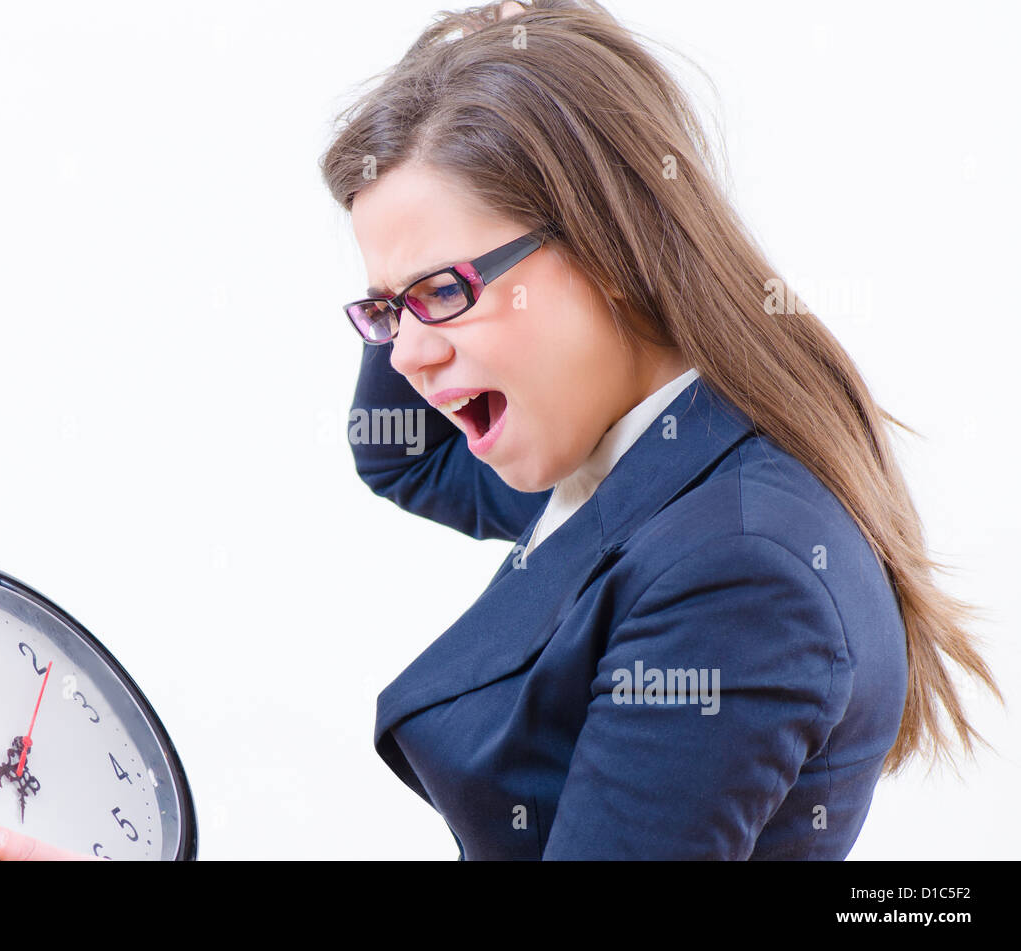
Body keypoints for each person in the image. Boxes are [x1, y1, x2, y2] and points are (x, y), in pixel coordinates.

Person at [320, 0, 1000, 858]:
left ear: (609, 247)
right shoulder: (631, 444)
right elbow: (401, 456)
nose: (410, 357)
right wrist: (456, 74)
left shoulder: (738, 576)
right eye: (385, 309)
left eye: (445, 293)